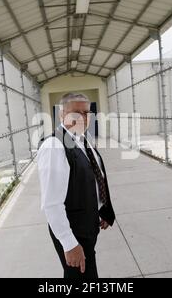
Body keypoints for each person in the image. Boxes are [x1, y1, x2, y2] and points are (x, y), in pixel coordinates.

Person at [37, 93, 116, 279]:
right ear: (62, 115)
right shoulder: (54, 146)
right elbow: (51, 204)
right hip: (73, 231)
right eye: (76, 113)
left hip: (88, 224)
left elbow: (94, 176)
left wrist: (102, 208)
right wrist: (69, 243)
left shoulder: (82, 138)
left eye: (87, 113)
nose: (83, 118)